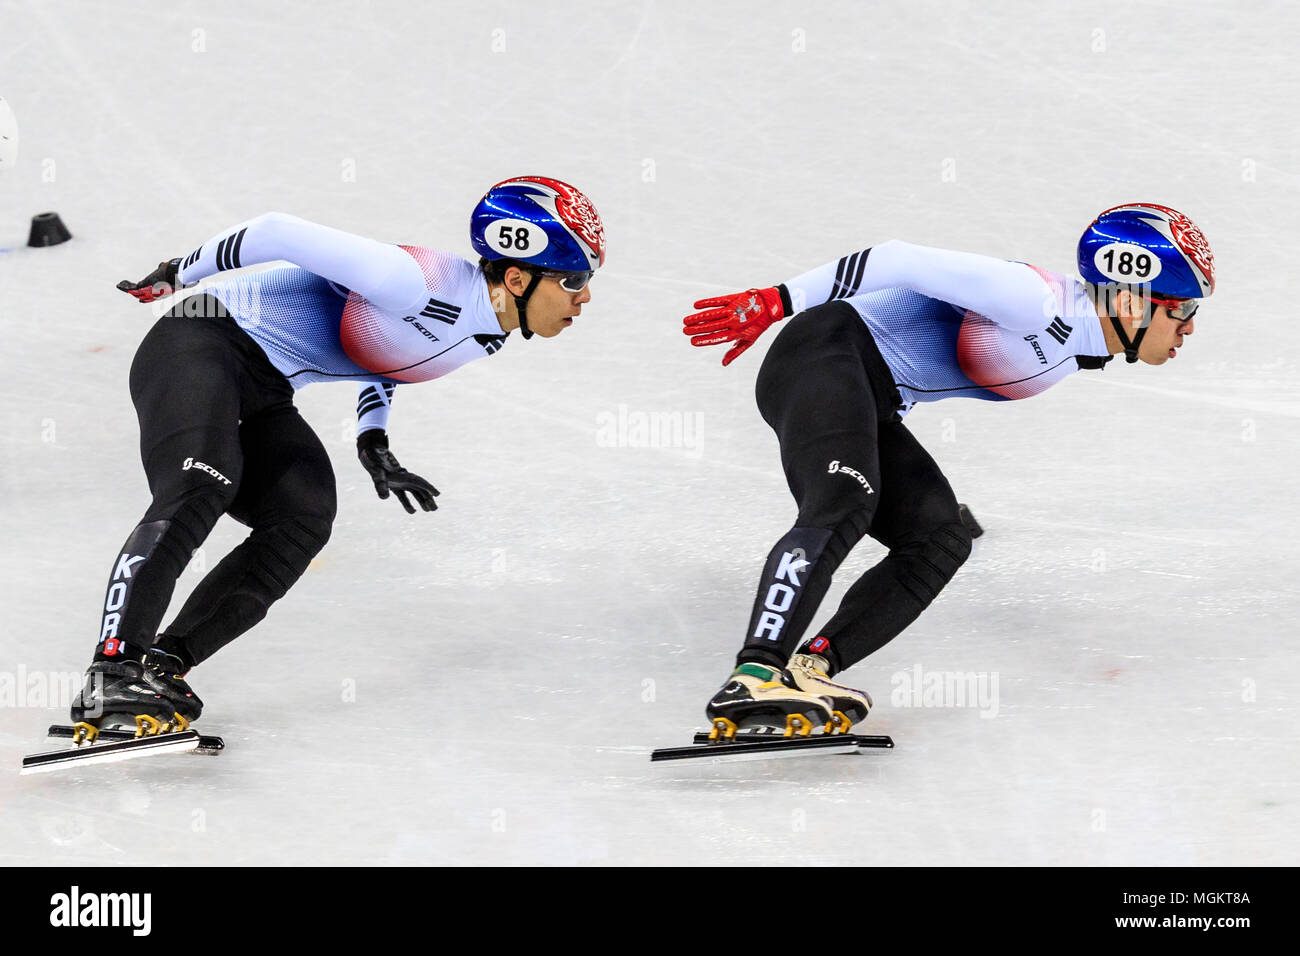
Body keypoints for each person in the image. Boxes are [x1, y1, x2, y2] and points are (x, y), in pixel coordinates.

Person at [70, 176, 606, 739]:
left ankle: (162, 664)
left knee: (302, 515)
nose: (584, 296)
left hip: (267, 386)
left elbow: (388, 357)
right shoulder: (418, 281)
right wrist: (182, 271)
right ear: (516, 278)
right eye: (572, 280)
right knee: (204, 480)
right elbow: (276, 231)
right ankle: (112, 667)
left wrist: (373, 439)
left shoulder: (484, 327)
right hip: (199, 341)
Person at [682, 203, 1214, 738]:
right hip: (822, 356)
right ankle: (754, 673)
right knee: (844, 500)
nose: (1190, 327)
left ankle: (810, 669)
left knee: (940, 538)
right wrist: (777, 301)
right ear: (1129, 300)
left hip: (869, 393)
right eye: (1184, 309)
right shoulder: (1038, 301)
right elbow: (899, 260)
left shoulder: (1078, 343)